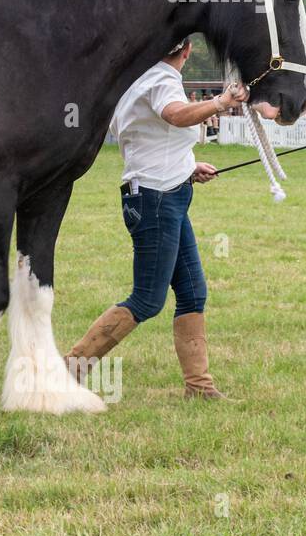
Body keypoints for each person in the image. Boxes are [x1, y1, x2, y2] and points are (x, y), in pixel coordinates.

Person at [64, 39, 250, 399]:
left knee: (193, 293)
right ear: (187, 50)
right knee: (148, 299)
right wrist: (221, 102)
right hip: (157, 200)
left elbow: (147, 136)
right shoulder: (162, 79)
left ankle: (199, 387)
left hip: (164, 194)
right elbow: (175, 115)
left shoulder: (139, 77)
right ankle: (66, 370)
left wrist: (188, 166)